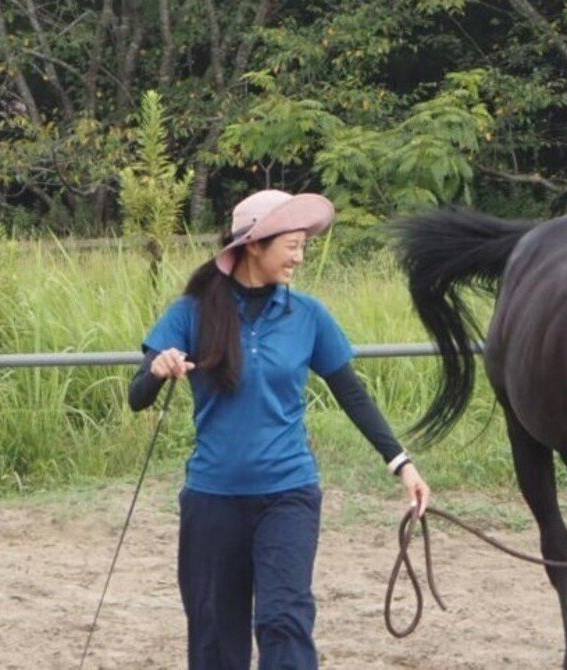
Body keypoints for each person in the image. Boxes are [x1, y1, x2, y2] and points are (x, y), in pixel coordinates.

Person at [128, 190, 430, 669]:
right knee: (214, 635)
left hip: (288, 495)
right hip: (211, 498)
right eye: (291, 244)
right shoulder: (190, 312)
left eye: (303, 244)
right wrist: (157, 368)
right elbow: (136, 397)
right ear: (254, 244)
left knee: (283, 619)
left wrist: (403, 465)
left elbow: (352, 395)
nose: (300, 255)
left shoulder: (308, 315)